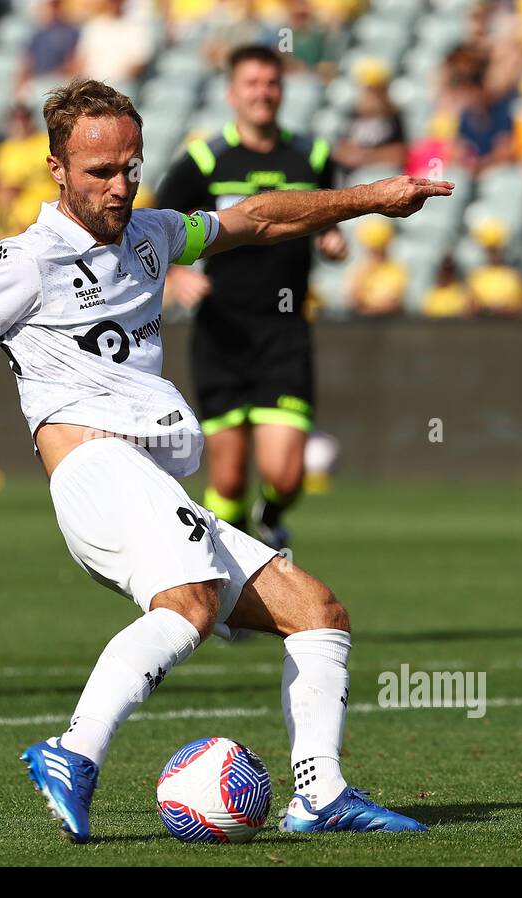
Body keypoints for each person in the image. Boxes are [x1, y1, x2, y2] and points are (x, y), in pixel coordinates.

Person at [0, 78, 452, 842]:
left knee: (317, 614)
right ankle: (74, 752)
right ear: (57, 168)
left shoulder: (152, 234)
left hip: (149, 479)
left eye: (130, 166)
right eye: (100, 171)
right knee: (188, 604)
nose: (120, 185)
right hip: (96, 471)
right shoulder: (25, 261)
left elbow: (257, 219)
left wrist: (373, 195)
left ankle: (319, 793)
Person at [156, 45, 346, 550]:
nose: (263, 92)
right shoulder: (203, 160)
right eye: (252, 83)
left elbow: (328, 218)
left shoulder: (312, 157)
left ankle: (273, 513)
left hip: (284, 333)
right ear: (231, 93)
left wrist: (332, 238)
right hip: (221, 333)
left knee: (286, 476)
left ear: (282, 91)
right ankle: (230, 578)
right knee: (229, 479)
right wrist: (175, 276)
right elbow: (150, 231)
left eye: (272, 83)